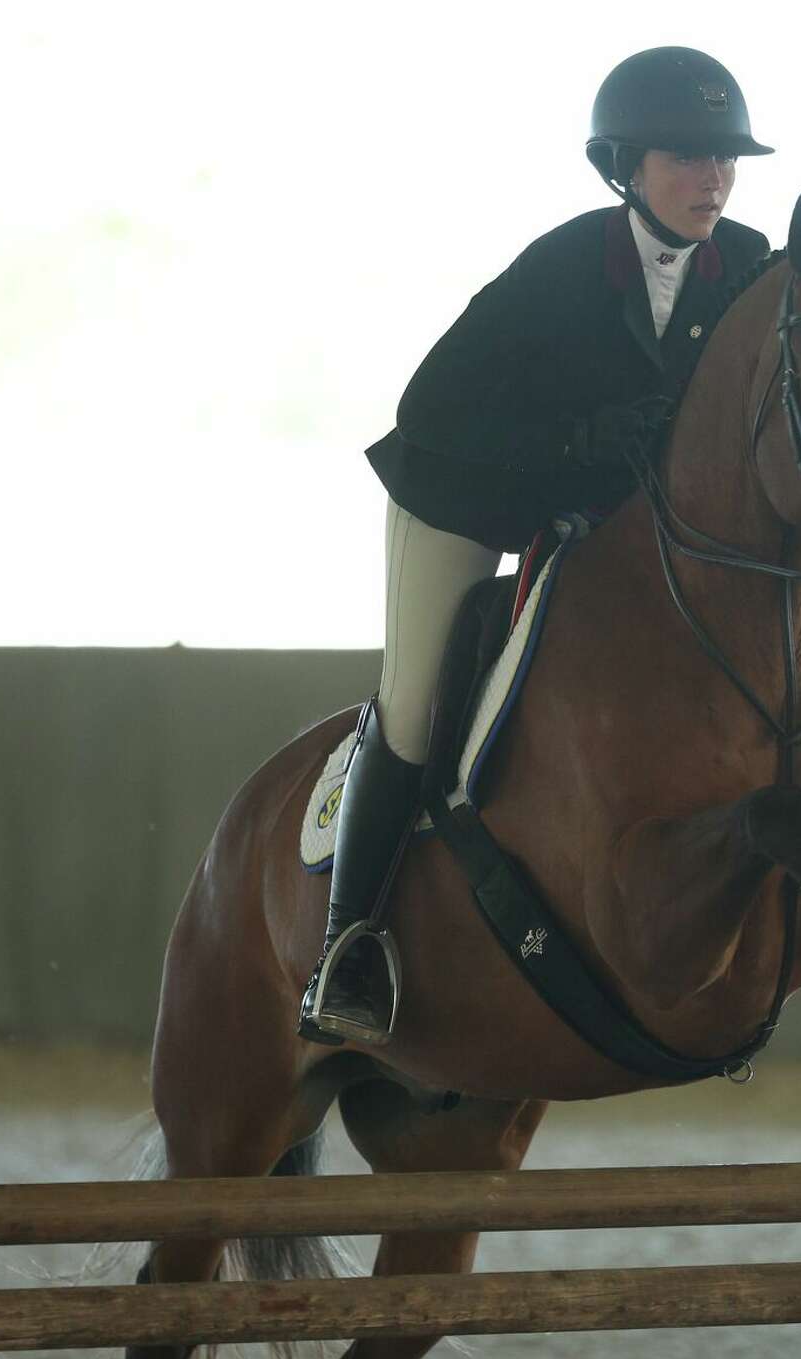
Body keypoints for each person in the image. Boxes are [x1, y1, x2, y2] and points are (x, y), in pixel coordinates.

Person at [306, 47, 776, 1046]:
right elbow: (430, 407)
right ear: (624, 168)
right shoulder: (562, 266)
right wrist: (573, 439)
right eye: (686, 158)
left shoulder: (745, 264)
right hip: (468, 498)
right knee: (416, 706)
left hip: (602, 523)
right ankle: (349, 946)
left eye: (725, 158)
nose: (714, 179)